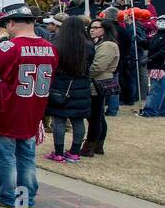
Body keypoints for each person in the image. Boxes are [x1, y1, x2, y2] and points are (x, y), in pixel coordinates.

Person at [0, 3, 57, 208]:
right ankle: (24, 200)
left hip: (7, 110)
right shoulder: (50, 48)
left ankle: (7, 197)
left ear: (11, 22)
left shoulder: (8, 47)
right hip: (33, 110)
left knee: (5, 158)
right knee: (27, 158)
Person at [43, 15, 92, 162]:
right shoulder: (88, 45)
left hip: (60, 84)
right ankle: (75, 152)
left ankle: (58, 152)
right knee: (78, 120)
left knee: (59, 119)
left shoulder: (56, 44)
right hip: (81, 84)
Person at [81, 18, 120, 156]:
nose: (92, 29)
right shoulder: (99, 43)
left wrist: (82, 73)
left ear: (105, 29)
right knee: (97, 116)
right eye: (91, 27)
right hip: (96, 82)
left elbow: (98, 66)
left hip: (98, 83)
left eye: (96, 27)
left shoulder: (108, 45)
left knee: (95, 117)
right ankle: (97, 145)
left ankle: (90, 146)